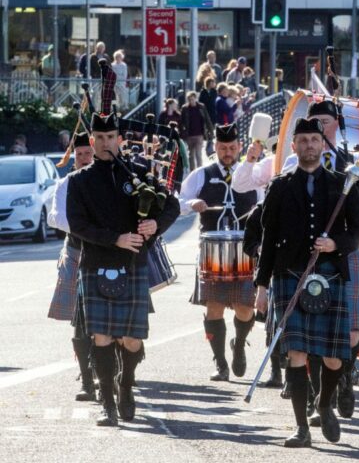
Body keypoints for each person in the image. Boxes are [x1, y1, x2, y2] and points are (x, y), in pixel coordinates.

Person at [253, 117, 359, 447]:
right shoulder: (280, 186)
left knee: (334, 356)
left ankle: (324, 403)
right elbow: (269, 236)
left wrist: (336, 245)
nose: (308, 146)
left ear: (322, 145)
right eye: (302, 141)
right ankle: (301, 427)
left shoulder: (342, 184)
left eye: (314, 140)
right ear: (294, 146)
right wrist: (262, 287)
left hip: (329, 275)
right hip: (289, 276)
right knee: (296, 354)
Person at [66, 112, 180, 426]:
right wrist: (114, 239)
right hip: (98, 264)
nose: (105, 143)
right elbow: (77, 225)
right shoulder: (79, 181)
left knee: (131, 339)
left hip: (133, 265)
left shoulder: (140, 172)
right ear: (92, 141)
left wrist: (156, 224)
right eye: (99, 138)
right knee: (101, 336)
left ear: (119, 139)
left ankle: (126, 385)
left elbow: (172, 205)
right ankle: (107, 404)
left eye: (110, 137)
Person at [179, 124, 260, 381]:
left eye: (233, 148)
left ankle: (239, 343)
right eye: (223, 148)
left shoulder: (250, 174)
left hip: (244, 251)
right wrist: (192, 203)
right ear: (215, 147)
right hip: (212, 253)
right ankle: (221, 363)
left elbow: (265, 202)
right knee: (213, 308)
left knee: (245, 308)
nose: (228, 152)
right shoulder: (202, 174)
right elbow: (178, 202)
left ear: (239, 147)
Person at [47, 132, 96, 401]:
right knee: (80, 318)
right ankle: (87, 375)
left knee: (106, 317)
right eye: (80, 156)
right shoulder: (66, 184)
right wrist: (87, 230)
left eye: (88, 154)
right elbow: (55, 217)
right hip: (77, 250)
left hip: (105, 254)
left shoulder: (105, 179)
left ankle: (108, 368)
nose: (85, 159)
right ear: (73, 158)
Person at [180, 91, 213, 172]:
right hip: (189, 134)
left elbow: (207, 118)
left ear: (195, 98)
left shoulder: (201, 107)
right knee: (191, 154)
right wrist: (182, 131)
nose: (191, 101)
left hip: (199, 134)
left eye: (193, 99)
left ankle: (200, 170)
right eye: (190, 99)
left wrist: (210, 130)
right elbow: (181, 121)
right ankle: (192, 171)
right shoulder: (185, 108)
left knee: (198, 153)